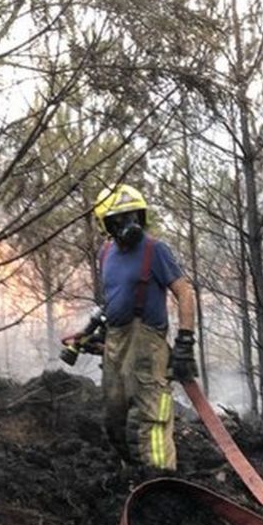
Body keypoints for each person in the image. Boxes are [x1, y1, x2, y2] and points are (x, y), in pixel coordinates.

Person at [92, 184, 197, 472]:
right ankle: (134, 478)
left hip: (148, 346)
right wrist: (101, 330)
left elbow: (185, 292)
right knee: (115, 419)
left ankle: (163, 483)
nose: (130, 225)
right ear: (107, 225)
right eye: (120, 219)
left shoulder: (155, 250)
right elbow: (114, 296)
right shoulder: (105, 254)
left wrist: (185, 342)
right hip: (116, 344)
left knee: (151, 420)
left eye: (134, 216)